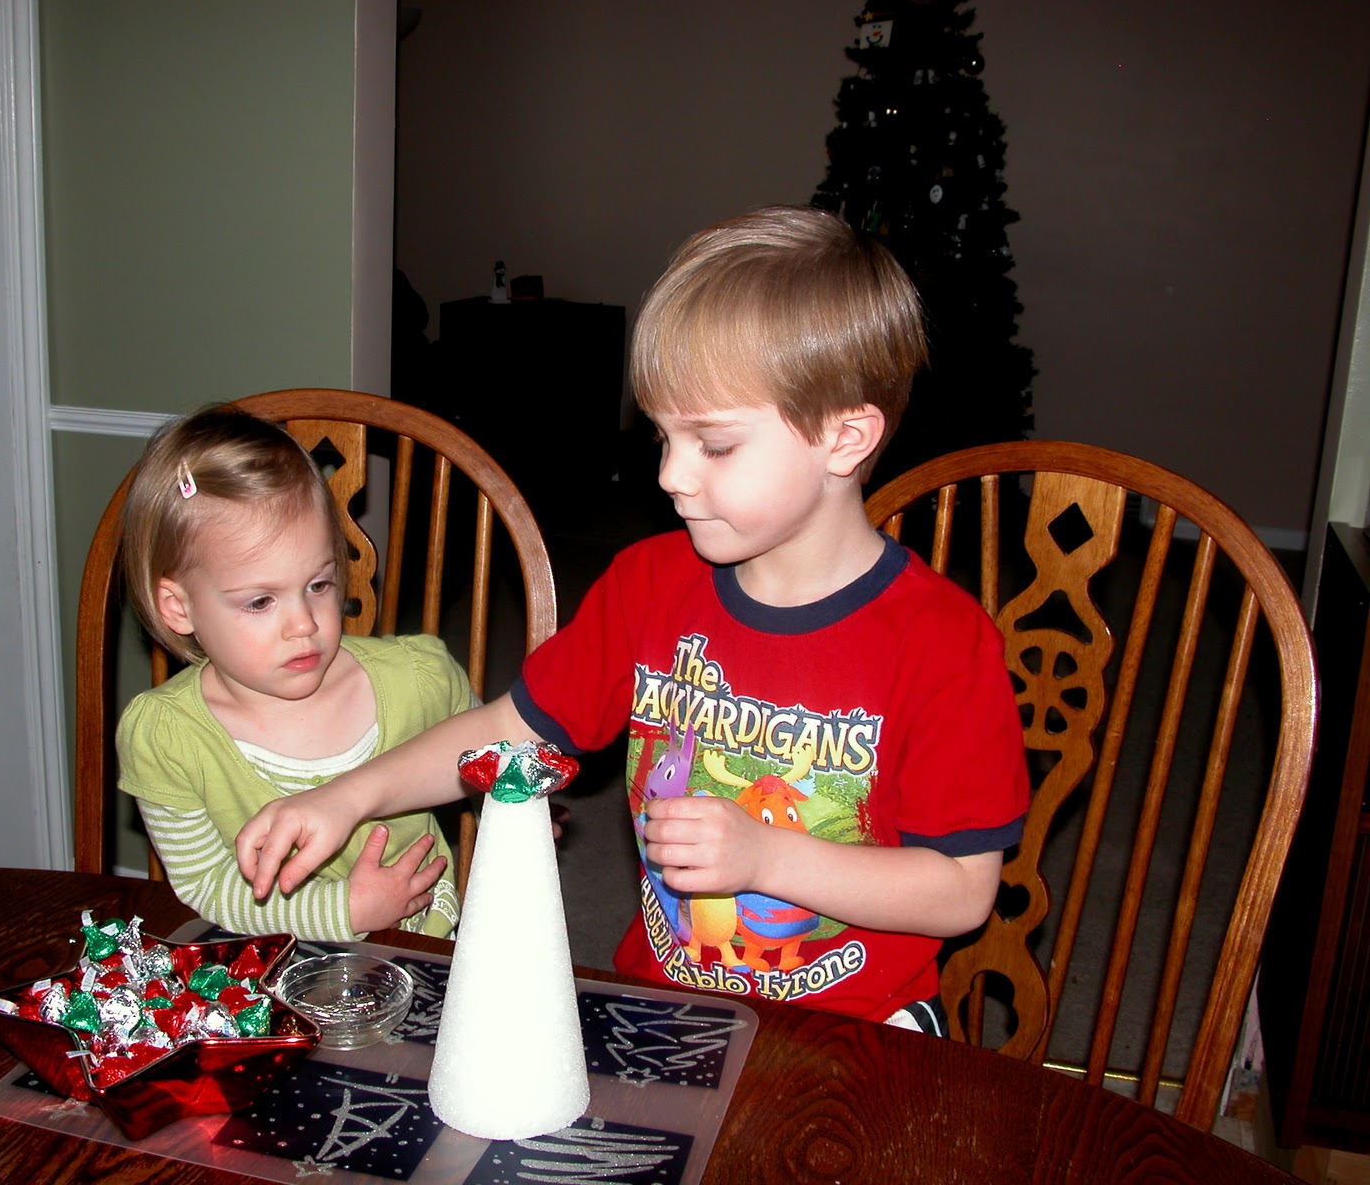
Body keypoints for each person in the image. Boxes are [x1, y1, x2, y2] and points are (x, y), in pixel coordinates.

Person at [236, 206, 1029, 1029]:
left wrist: (768, 857)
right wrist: (348, 796)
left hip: (862, 1022)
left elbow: (961, 892)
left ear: (844, 436)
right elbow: (515, 729)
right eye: (662, 436)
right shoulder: (649, 586)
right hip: (662, 998)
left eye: (714, 445)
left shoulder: (941, 643)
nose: (672, 476)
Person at [115, 404, 469, 941]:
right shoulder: (164, 737)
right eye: (260, 601)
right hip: (275, 970)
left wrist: (515, 803)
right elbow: (205, 884)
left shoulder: (419, 678)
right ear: (179, 607)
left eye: (319, 585)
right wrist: (340, 912)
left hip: (428, 948)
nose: (303, 623)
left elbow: (490, 755)